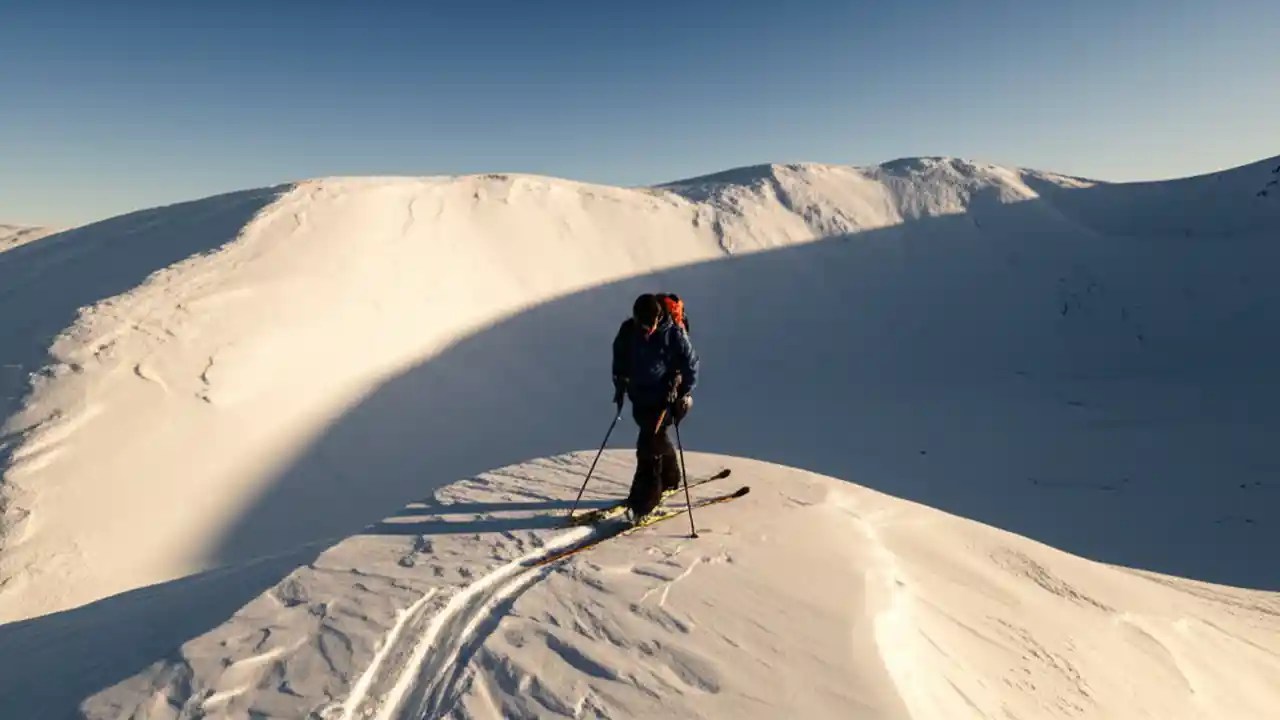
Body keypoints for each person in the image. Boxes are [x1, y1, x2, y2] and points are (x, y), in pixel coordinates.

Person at [612, 293, 699, 519]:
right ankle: (670, 479)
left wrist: (683, 394)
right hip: (639, 397)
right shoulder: (628, 331)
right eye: (644, 324)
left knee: (648, 444)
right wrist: (620, 381)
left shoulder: (673, 334)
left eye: (652, 324)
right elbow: (620, 358)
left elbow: (690, 365)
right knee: (655, 436)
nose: (648, 329)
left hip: (664, 399)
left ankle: (644, 502)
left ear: (659, 317)